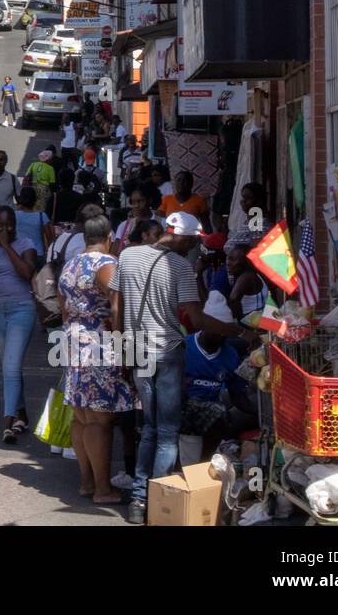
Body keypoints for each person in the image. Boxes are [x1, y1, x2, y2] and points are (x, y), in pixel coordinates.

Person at [113, 212, 247, 524]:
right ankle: (159, 499)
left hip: (137, 352)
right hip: (168, 352)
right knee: (168, 432)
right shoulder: (181, 267)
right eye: (194, 241)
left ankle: (138, 500)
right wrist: (239, 332)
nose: (194, 247)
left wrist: (123, 353)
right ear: (183, 237)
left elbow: (116, 307)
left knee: (148, 428)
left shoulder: (128, 256)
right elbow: (198, 321)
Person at [58, 214, 133, 503]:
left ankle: (87, 483)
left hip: (73, 341)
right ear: (109, 237)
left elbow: (63, 308)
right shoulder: (106, 264)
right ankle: (103, 490)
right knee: (100, 421)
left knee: (81, 417)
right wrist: (124, 347)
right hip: (98, 344)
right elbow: (115, 309)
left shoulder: (70, 265)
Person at [0, 207, 38, 443]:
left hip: (22, 309)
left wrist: (6, 246)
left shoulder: (26, 243)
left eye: (7, 225)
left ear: (15, 224)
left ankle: (8, 421)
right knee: (10, 367)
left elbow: (27, 272)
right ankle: (23, 415)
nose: (3, 229)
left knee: (11, 365)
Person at [183, 297, 259, 457]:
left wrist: (258, 413)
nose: (222, 337)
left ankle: (205, 462)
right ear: (206, 327)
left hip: (211, 411)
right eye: (218, 331)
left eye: (225, 333)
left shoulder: (230, 354)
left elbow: (237, 394)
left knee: (222, 414)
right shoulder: (184, 347)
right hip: (182, 405)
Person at [113, 187, 163, 254]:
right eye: (133, 202)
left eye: (140, 201)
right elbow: (114, 252)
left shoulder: (161, 222)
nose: (136, 205)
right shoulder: (124, 226)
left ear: (149, 201)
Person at [13, 186, 50, 256]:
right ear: (35, 200)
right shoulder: (42, 216)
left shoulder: (14, 215)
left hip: (18, 254)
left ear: (20, 199)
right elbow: (49, 238)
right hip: (37, 254)